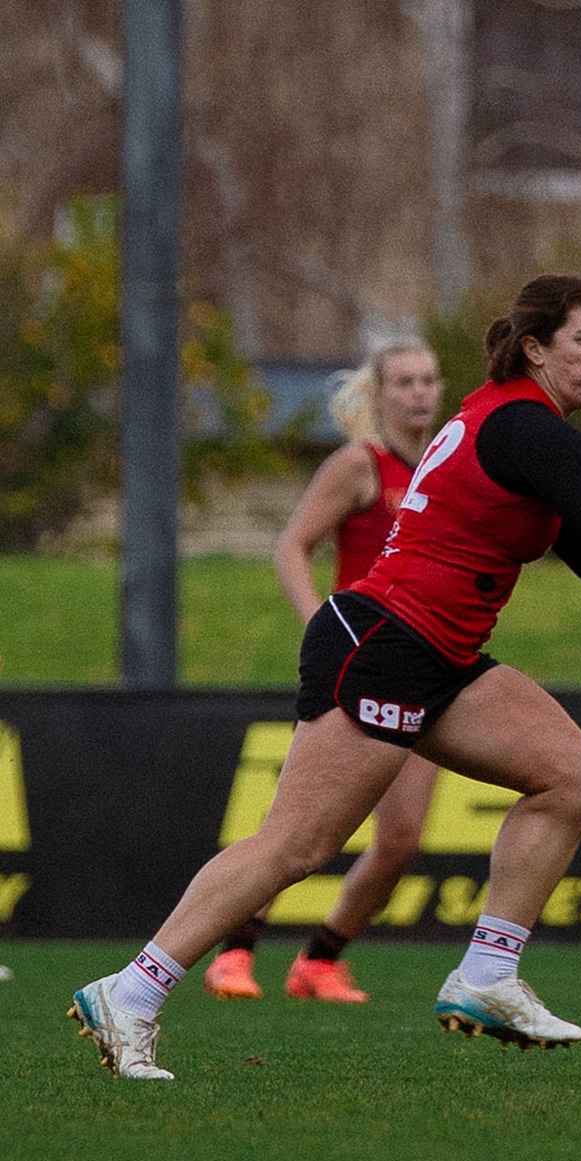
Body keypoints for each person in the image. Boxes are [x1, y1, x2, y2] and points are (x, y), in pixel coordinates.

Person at [70, 274, 581, 1080]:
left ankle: (487, 976)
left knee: (571, 776)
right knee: (300, 843)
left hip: (438, 654)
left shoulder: (509, 421)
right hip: (388, 642)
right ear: (535, 347)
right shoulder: (533, 431)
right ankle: (132, 991)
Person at [203, 340, 446, 1004]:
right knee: (303, 831)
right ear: (379, 394)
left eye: (428, 380)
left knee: (399, 842)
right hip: (358, 668)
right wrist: (321, 624)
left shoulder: (446, 470)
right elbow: (292, 545)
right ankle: (235, 951)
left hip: (423, 667)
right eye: (404, 382)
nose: (419, 393)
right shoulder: (359, 465)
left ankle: (319, 960)